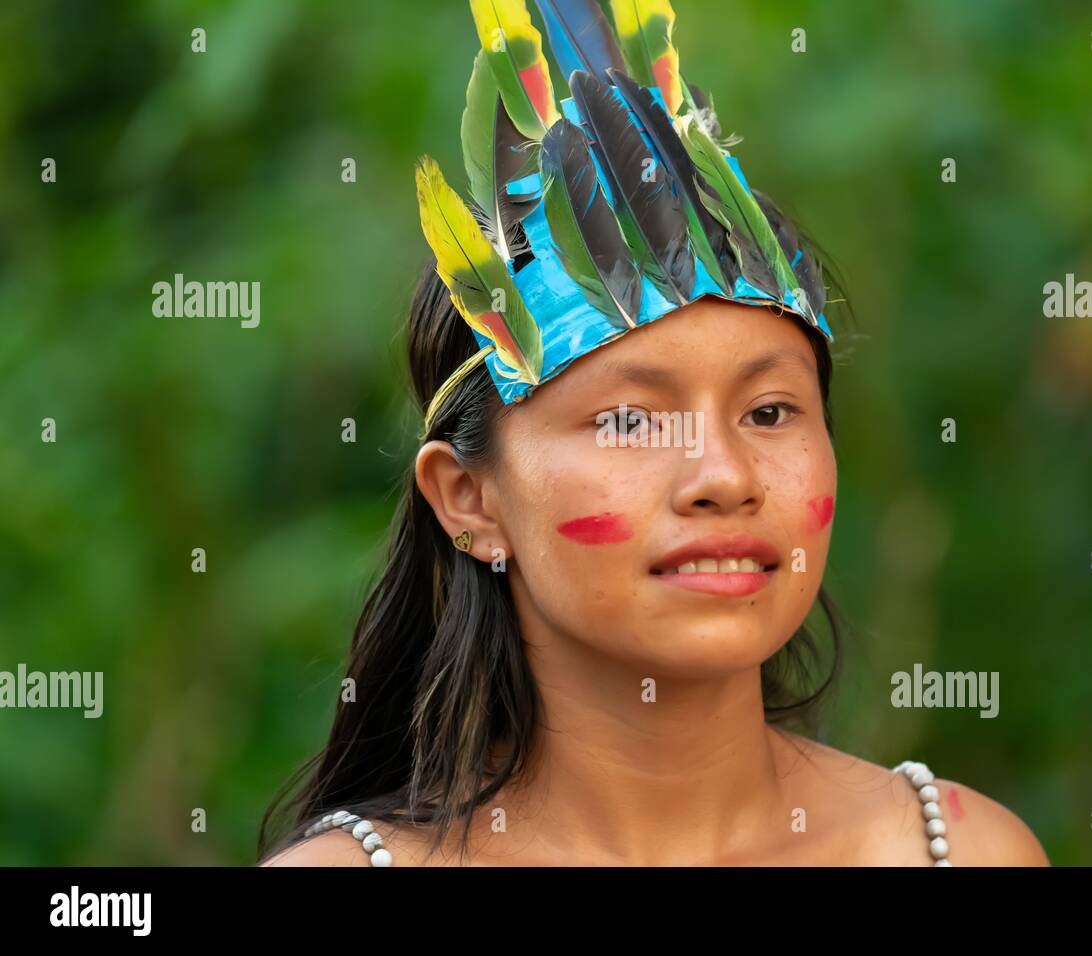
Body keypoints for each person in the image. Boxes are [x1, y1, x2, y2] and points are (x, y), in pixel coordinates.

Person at [259, 0, 1048, 867]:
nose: (723, 474)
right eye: (630, 419)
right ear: (469, 499)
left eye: (769, 411)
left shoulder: (957, 854)